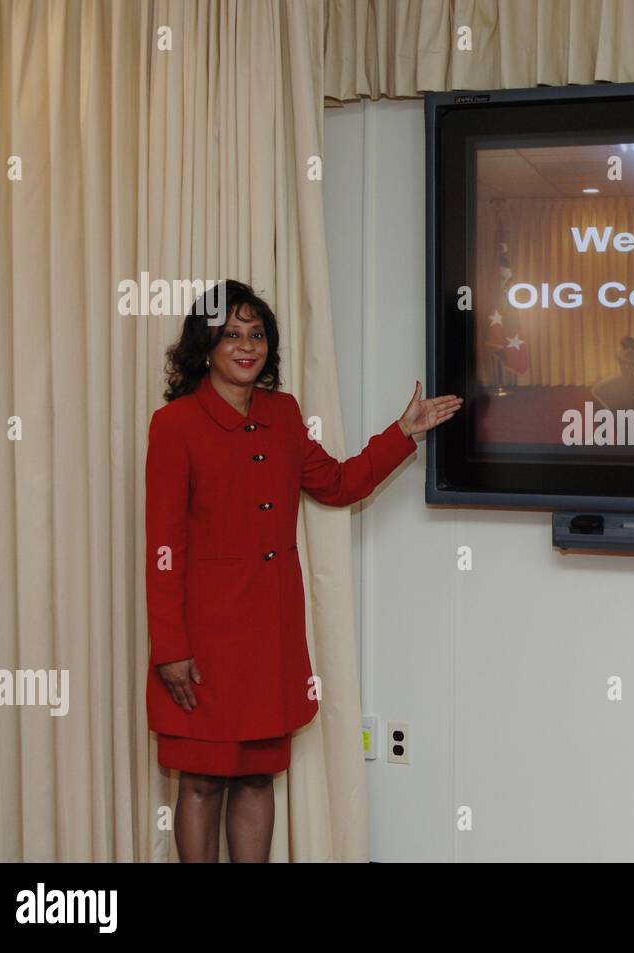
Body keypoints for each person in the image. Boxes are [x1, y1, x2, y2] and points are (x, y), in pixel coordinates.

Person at [145, 280, 462, 862]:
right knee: (200, 780)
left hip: (269, 635)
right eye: (232, 334)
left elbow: (339, 484)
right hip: (203, 640)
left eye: (257, 333)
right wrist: (170, 648)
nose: (247, 346)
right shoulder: (175, 425)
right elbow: (162, 547)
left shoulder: (283, 413)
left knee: (257, 776)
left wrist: (404, 432)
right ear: (206, 346)